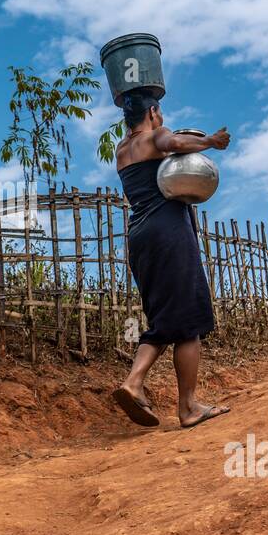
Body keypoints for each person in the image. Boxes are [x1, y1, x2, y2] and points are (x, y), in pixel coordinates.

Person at [112, 88, 231, 429]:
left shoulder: (122, 150)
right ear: (151, 113)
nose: (161, 119)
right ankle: (188, 407)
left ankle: (134, 381)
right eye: (159, 113)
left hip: (139, 236)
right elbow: (174, 144)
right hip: (169, 232)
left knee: (165, 317)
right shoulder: (158, 135)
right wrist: (210, 141)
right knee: (188, 324)